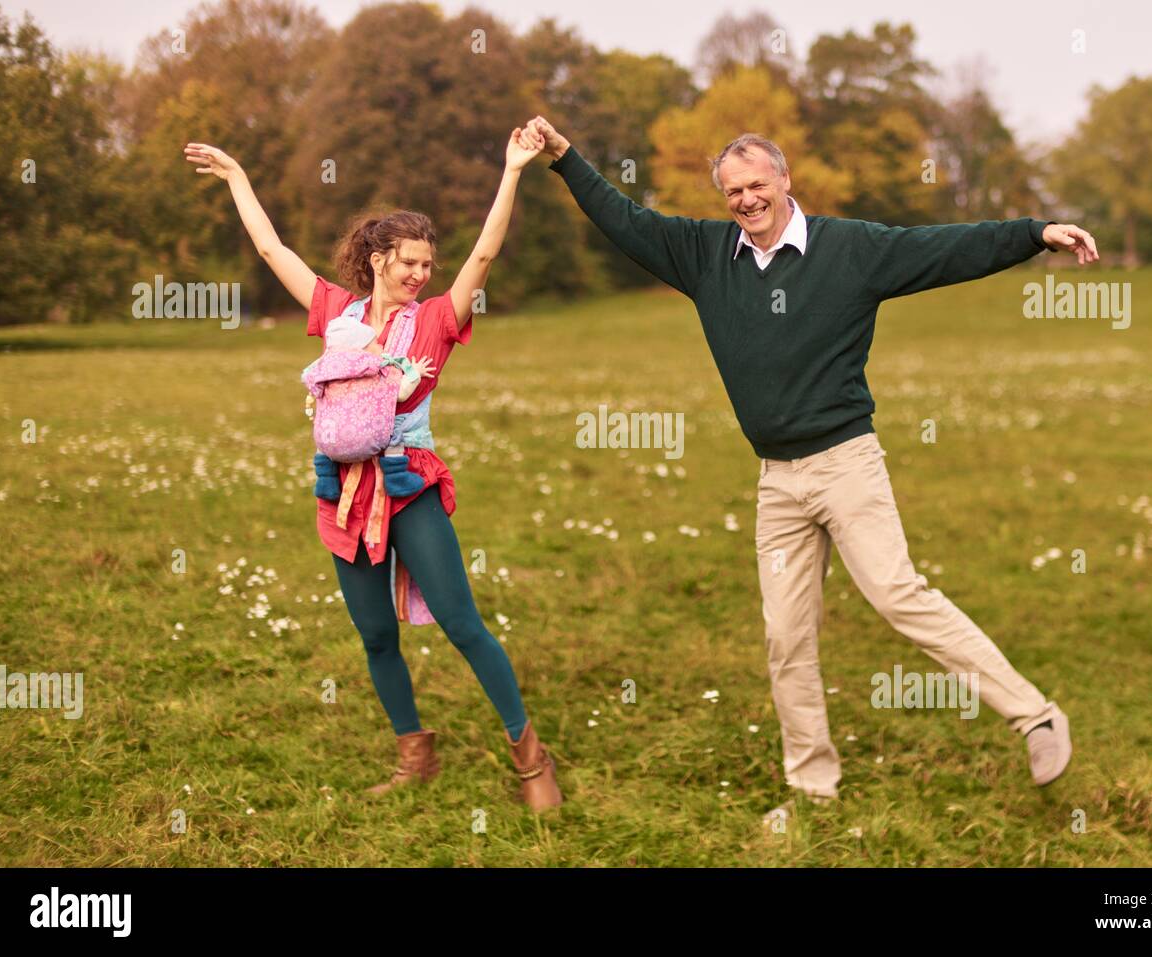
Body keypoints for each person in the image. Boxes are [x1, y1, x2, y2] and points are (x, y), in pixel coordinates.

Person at [525, 115, 1096, 812]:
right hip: (778, 479)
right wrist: (564, 157)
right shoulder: (704, 254)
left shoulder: (850, 248)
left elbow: (945, 248)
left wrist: (1036, 233)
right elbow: (624, 219)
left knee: (897, 594)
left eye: (756, 184)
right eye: (732, 189)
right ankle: (813, 788)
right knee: (786, 636)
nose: (745, 199)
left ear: (784, 180)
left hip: (845, 462)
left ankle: (1035, 714)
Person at [184, 129, 563, 811]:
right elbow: (272, 250)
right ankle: (413, 754)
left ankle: (531, 757)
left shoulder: (438, 321)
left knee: (460, 620)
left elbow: (486, 251)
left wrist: (511, 171)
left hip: (409, 485)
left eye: (428, 263)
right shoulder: (336, 312)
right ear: (380, 258)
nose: (421, 273)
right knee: (376, 634)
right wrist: (239, 176)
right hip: (344, 491)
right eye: (410, 261)